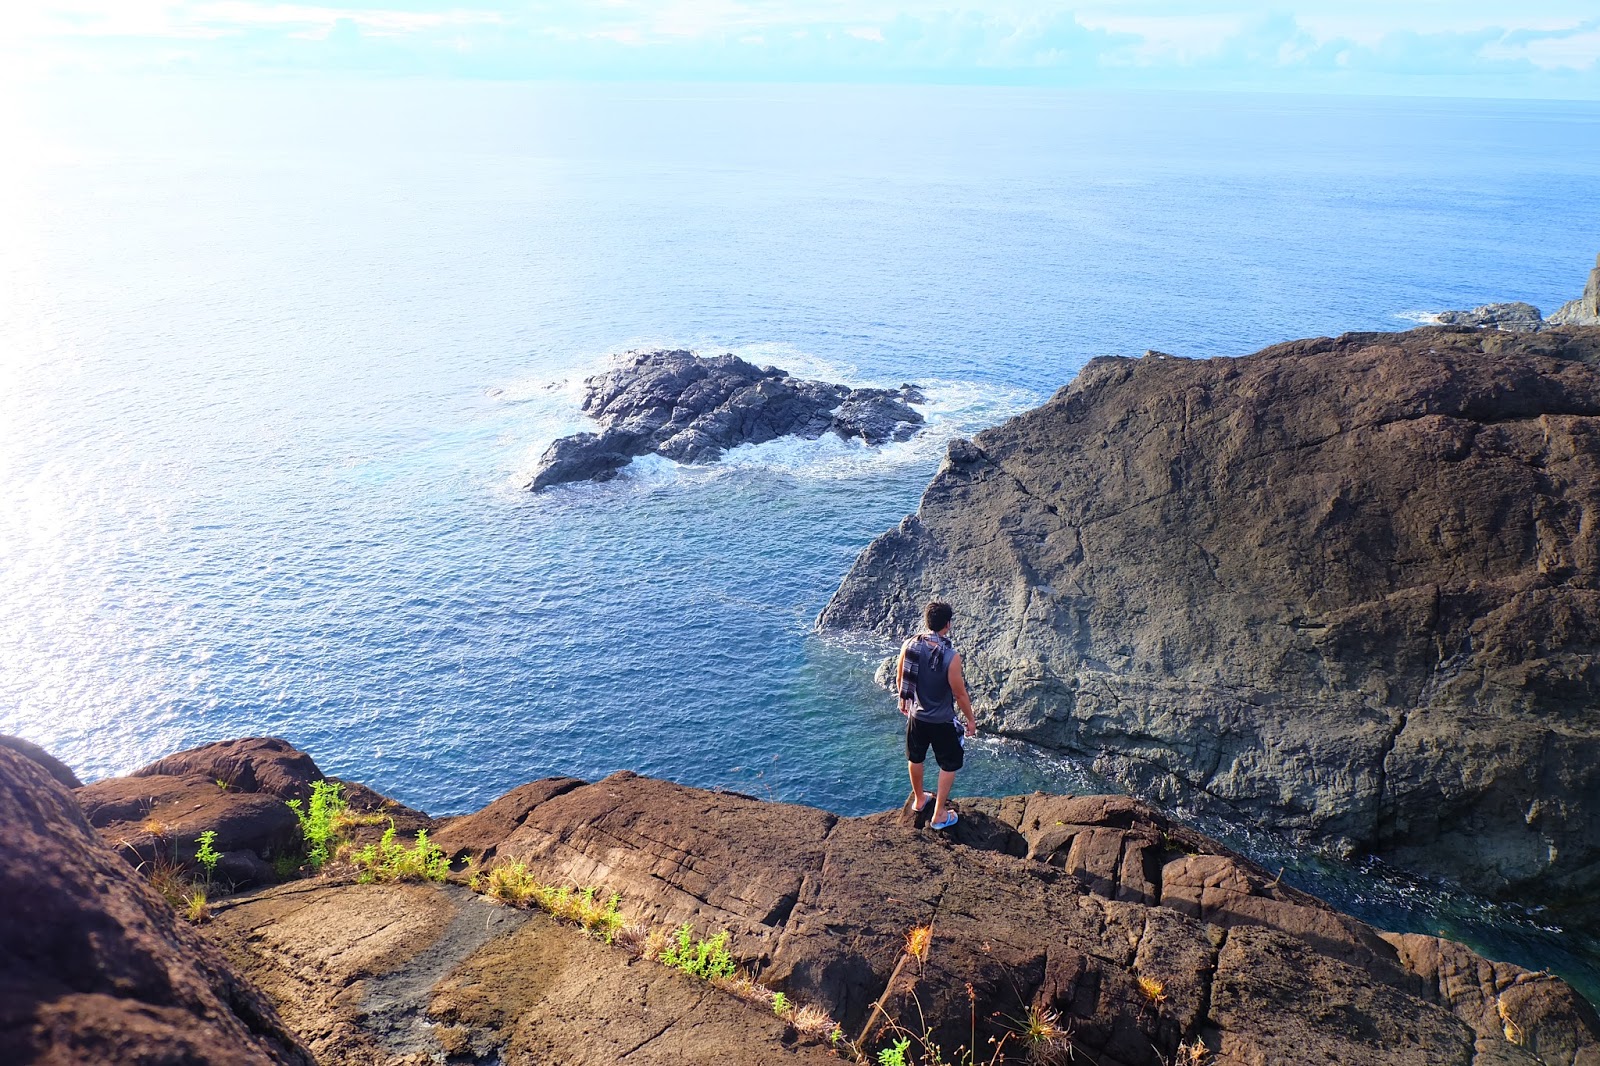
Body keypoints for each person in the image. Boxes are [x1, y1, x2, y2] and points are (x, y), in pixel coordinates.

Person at [896, 600, 977, 830]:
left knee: (915, 757)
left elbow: (900, 678)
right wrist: (970, 720)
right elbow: (959, 694)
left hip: (916, 717)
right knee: (949, 764)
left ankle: (920, 799)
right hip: (941, 721)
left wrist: (904, 701)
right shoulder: (951, 656)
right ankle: (939, 813)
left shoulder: (909, 645)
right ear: (948, 625)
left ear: (927, 621)